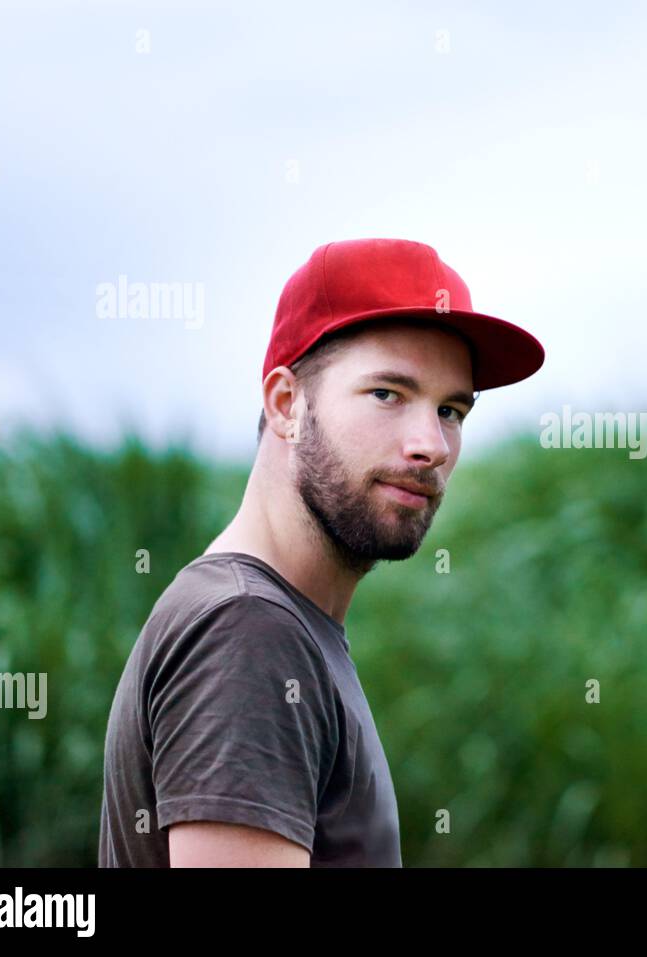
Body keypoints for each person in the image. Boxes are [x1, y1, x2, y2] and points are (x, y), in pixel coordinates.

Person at [98, 238, 544, 866]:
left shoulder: (281, 622)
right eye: (387, 393)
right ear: (286, 403)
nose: (431, 445)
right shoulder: (246, 631)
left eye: (450, 409)